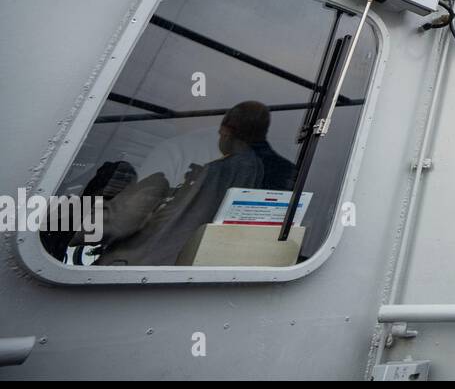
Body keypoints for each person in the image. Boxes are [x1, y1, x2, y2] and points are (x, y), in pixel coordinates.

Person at [87, 101, 298, 266]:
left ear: (225, 130)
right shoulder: (288, 170)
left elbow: (125, 219)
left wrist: (65, 228)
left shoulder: (206, 169)